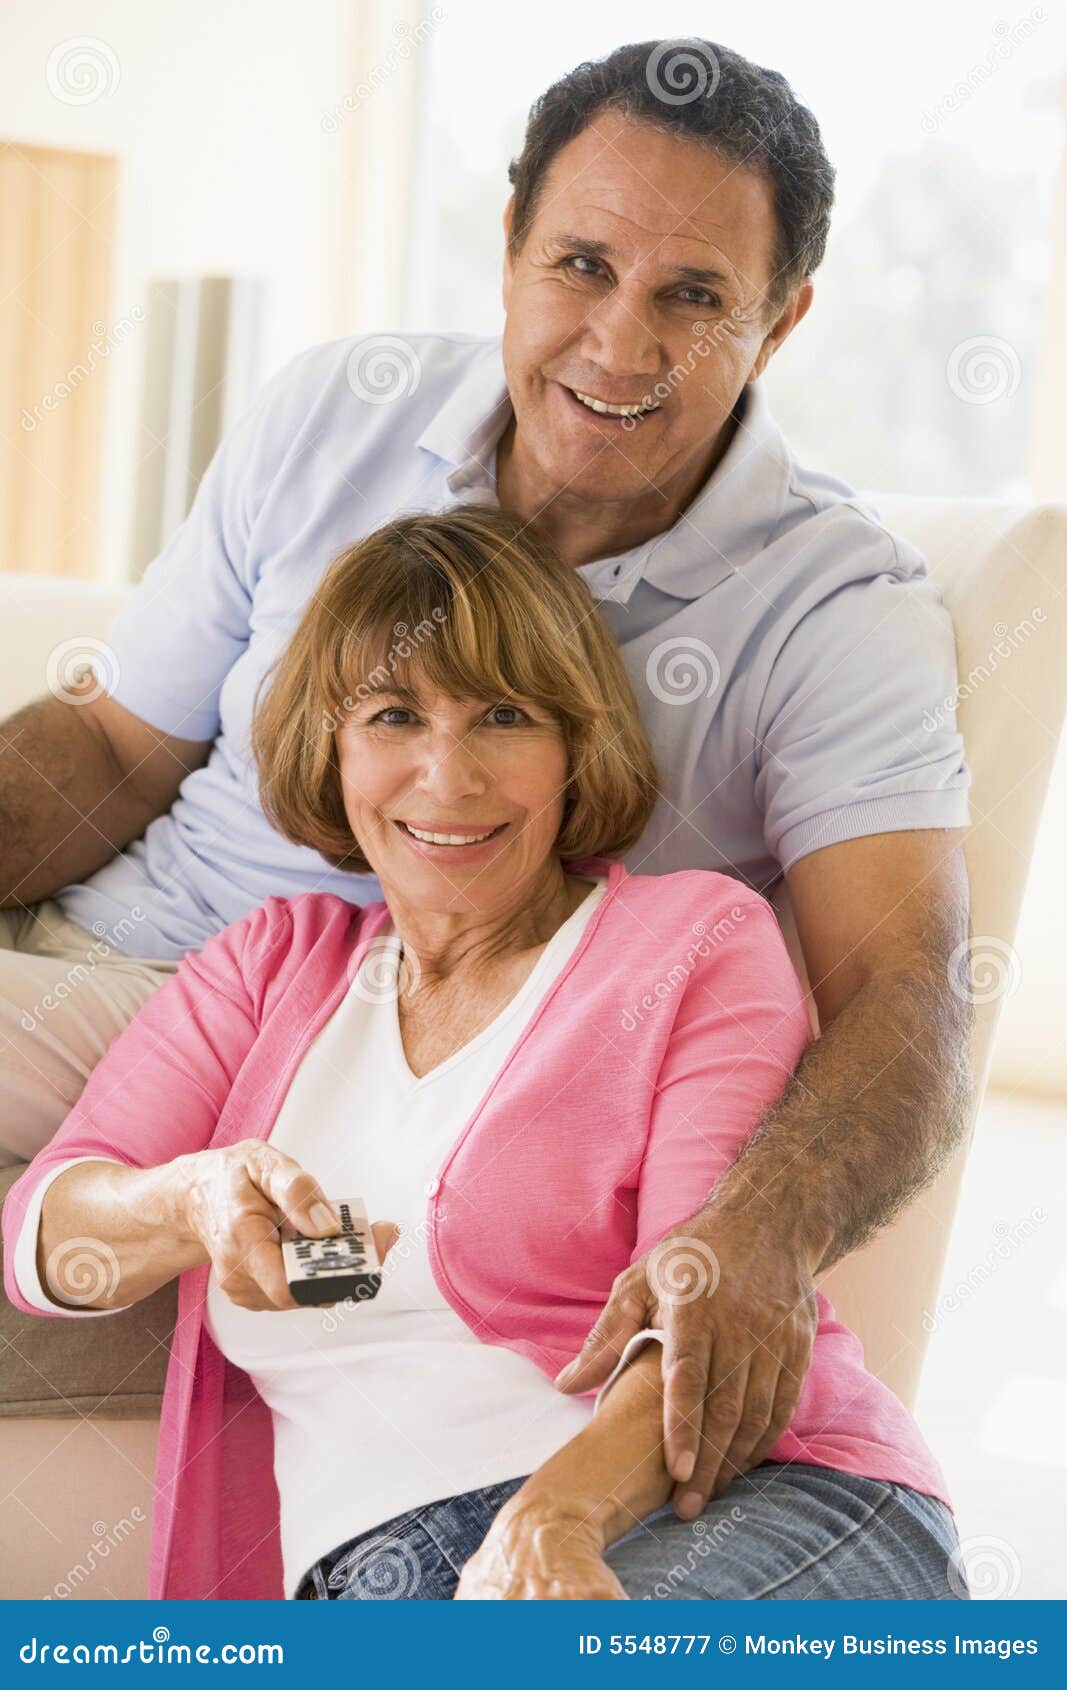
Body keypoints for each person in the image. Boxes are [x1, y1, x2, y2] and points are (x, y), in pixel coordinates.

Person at [0, 39, 972, 1519]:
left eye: (693, 296)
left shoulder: (835, 611)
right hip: (84, 968)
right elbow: (114, 744)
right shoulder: (334, 410)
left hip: (295, 1053)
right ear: (510, 244)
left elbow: (903, 986)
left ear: (779, 321)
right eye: (580, 265)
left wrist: (754, 1240)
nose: (618, 345)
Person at [2, 509, 968, 1601]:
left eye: (503, 717)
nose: (448, 775)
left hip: (723, 1502)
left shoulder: (689, 943)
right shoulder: (267, 967)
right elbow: (46, 1231)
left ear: (574, 748)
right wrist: (191, 1200)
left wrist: (554, 1519)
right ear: (332, 747)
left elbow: (697, 1306)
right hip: (384, 1581)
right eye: (393, 715)